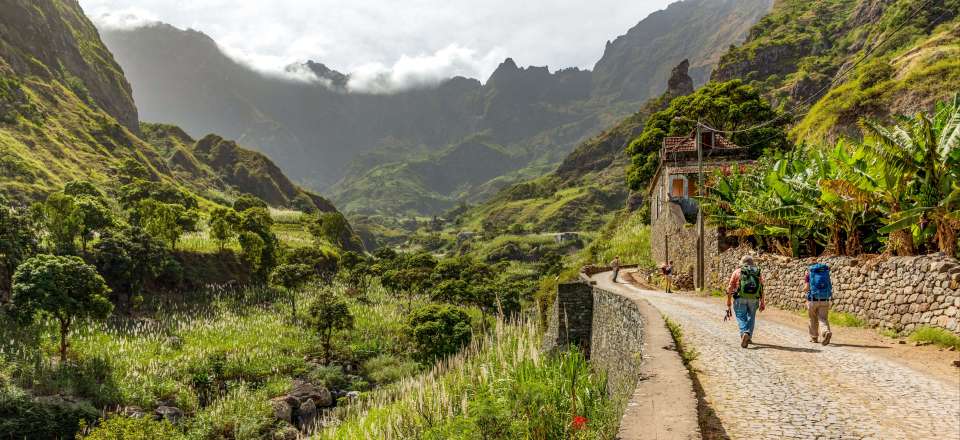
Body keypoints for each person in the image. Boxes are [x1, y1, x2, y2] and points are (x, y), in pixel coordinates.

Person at [726, 255, 766, 348]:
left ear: (742, 263)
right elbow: (761, 288)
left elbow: (730, 287)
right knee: (751, 317)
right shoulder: (757, 272)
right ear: (752, 263)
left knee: (740, 316)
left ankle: (745, 332)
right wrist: (762, 302)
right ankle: (749, 337)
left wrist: (728, 300)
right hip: (754, 298)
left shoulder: (737, 272)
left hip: (740, 298)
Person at [806, 262, 833, 345]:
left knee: (813, 318)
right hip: (825, 298)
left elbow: (807, 287)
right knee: (823, 318)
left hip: (813, 299)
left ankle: (814, 337)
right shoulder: (825, 273)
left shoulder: (809, 274)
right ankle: (825, 332)